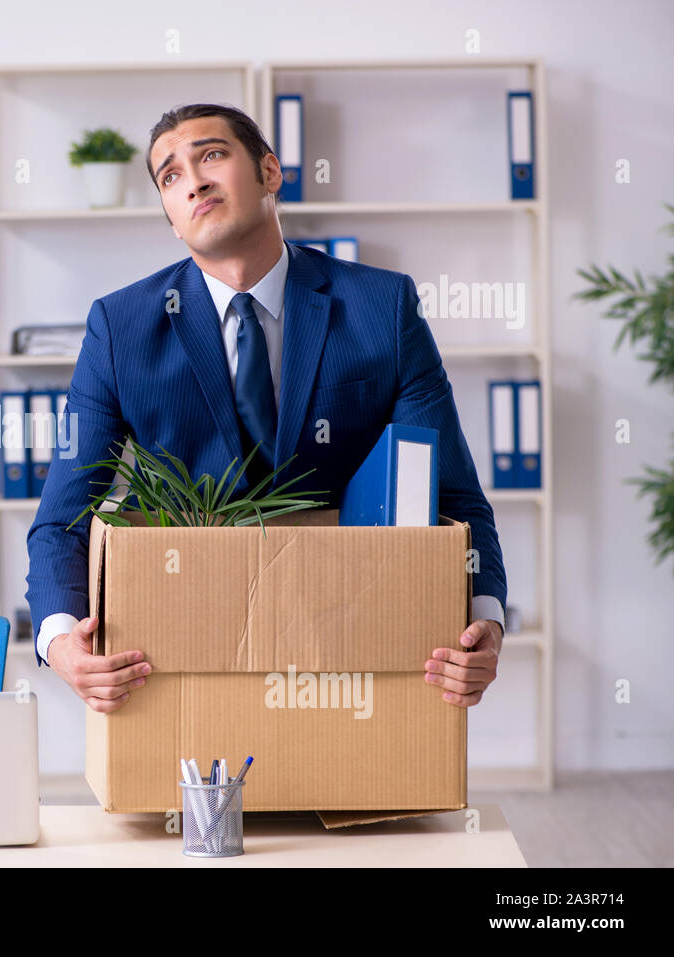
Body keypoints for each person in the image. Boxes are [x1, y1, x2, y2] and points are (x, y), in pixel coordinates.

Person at [25, 103, 505, 714]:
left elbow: (456, 497)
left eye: (212, 156)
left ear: (270, 172)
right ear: (171, 219)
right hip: (186, 647)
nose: (193, 180)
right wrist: (62, 641)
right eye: (170, 176)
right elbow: (64, 516)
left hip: (348, 641)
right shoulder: (120, 329)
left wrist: (485, 620)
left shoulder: (381, 307)